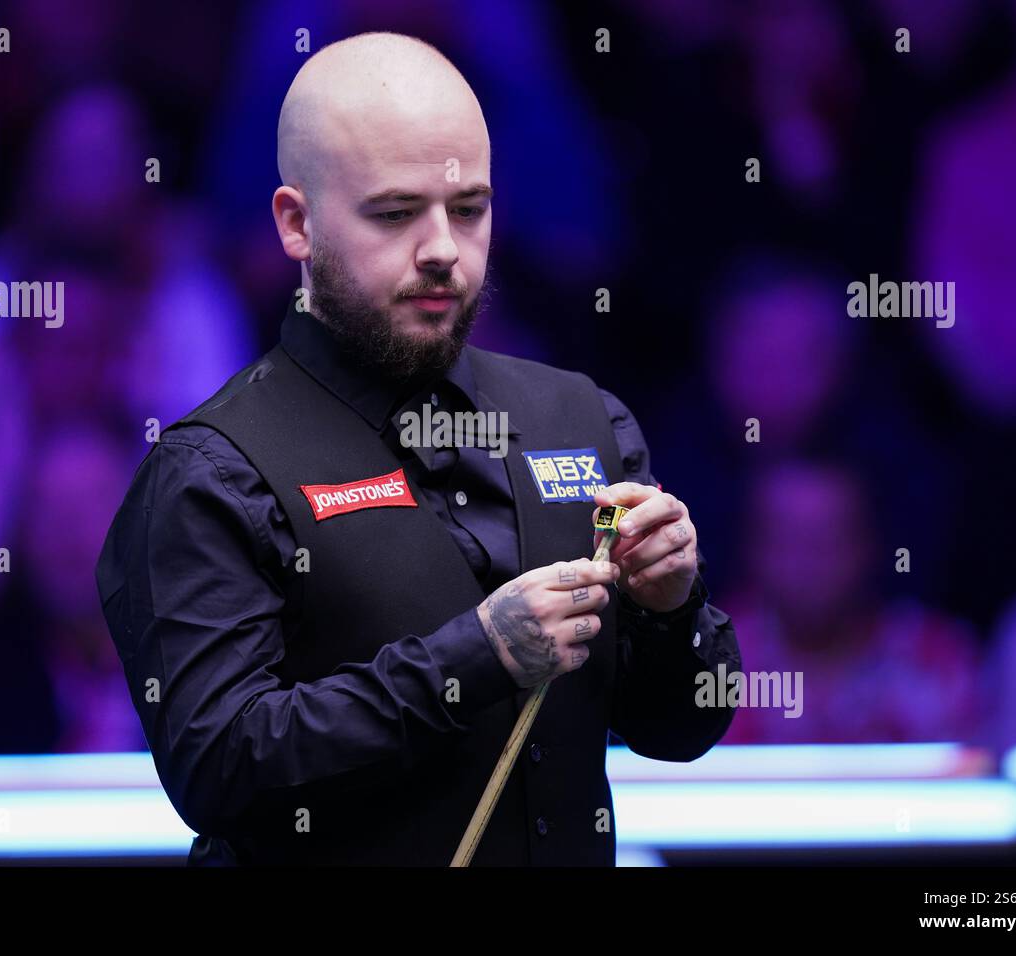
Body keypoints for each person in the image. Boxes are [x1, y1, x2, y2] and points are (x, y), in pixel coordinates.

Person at [96, 31, 740, 866]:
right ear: (297, 223)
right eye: (396, 213)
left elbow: (683, 726)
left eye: (469, 208)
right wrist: (478, 654)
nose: (442, 248)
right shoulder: (212, 471)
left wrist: (671, 609)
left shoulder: (583, 419)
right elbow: (218, 767)